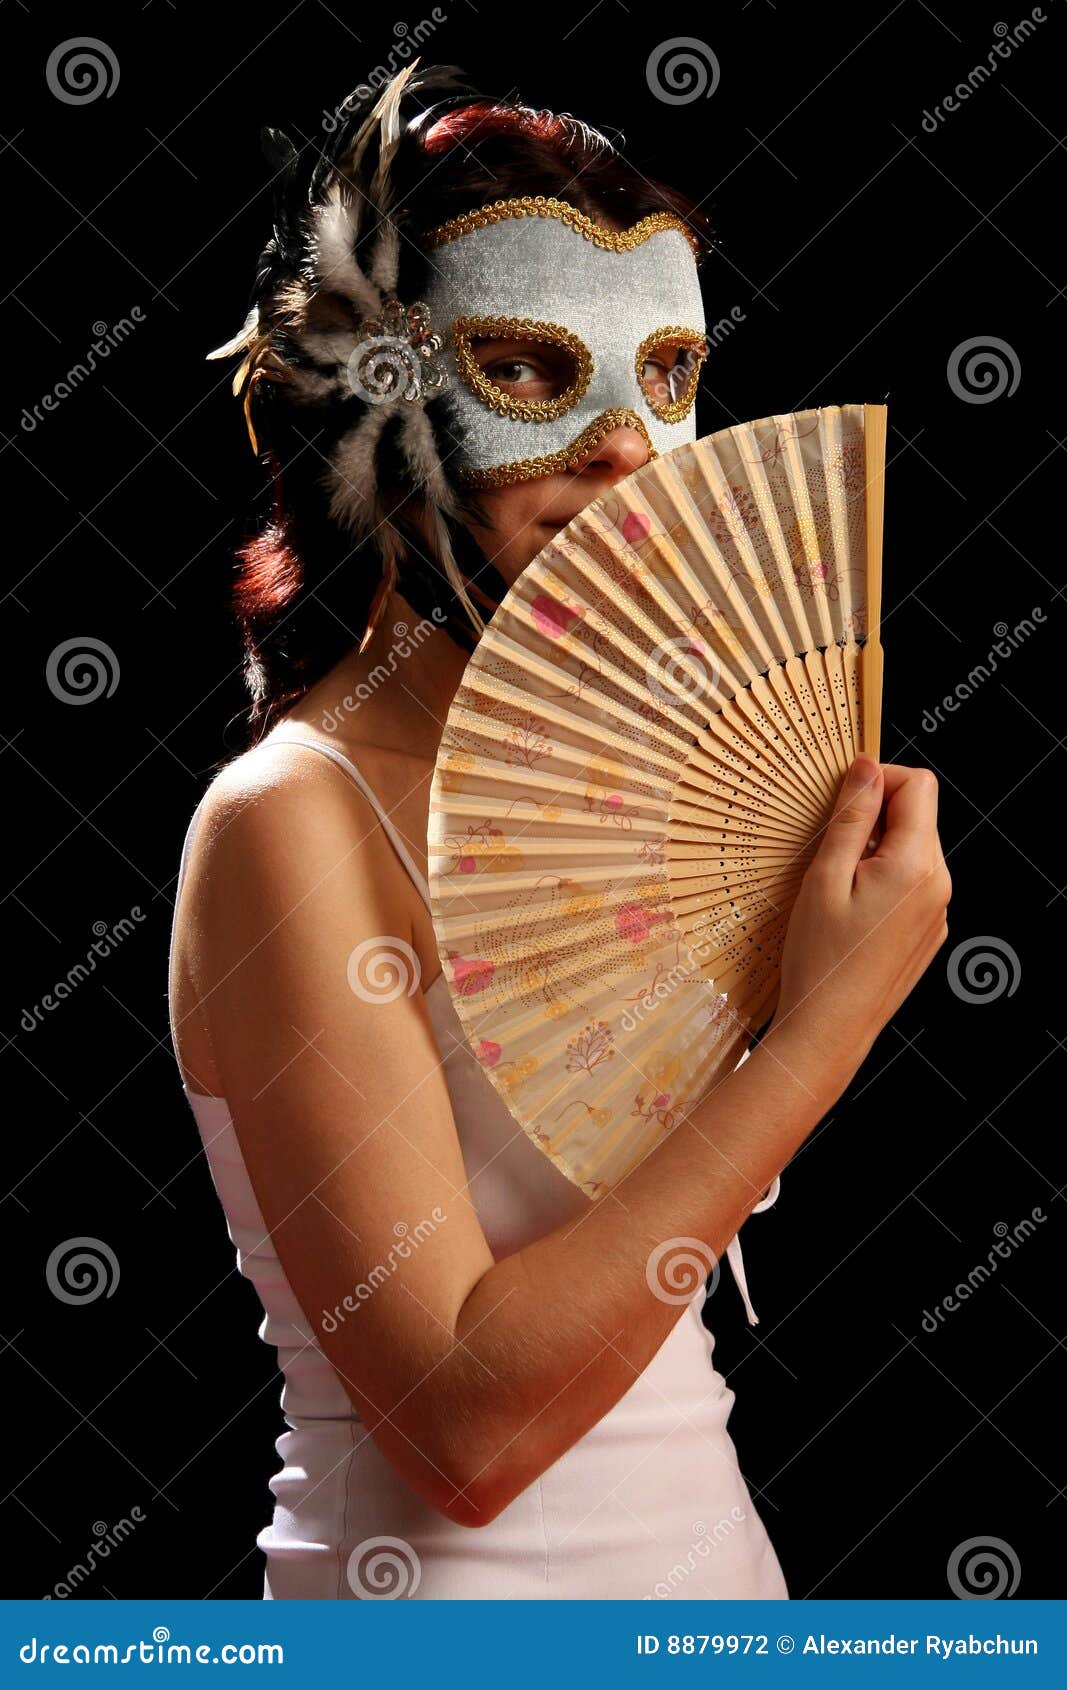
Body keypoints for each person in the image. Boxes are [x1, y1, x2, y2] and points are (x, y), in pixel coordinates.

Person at [168, 66, 951, 1600]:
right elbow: (465, 1426)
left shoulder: (645, 787)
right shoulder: (289, 821)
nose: (622, 447)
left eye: (666, 375)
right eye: (528, 365)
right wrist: (831, 1018)